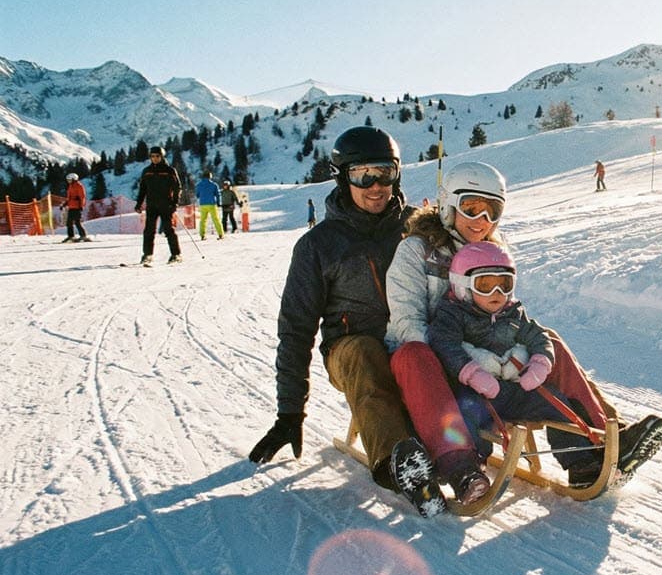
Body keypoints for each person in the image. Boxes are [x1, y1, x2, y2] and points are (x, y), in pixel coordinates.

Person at [385, 161, 662, 509]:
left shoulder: (494, 251)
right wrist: (468, 359)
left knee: (548, 342)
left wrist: (520, 354)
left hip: (487, 366)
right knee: (415, 352)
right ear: (448, 204)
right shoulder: (416, 250)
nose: (481, 220)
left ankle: (598, 445)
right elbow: (405, 322)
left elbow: (509, 315)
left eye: (492, 211)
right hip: (435, 364)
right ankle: (460, 466)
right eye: (472, 207)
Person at [247, 126, 438, 514]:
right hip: (351, 350)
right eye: (363, 175)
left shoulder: (417, 227)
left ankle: (580, 441)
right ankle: (398, 464)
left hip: (413, 338)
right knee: (366, 353)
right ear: (342, 176)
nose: (376, 186)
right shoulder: (318, 245)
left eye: (385, 173)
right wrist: (289, 413)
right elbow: (296, 331)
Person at [430, 241, 603, 489]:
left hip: (513, 391)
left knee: (556, 401)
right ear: (462, 286)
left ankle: (580, 461)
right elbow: (444, 344)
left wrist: (540, 364)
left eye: (505, 284)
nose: (497, 293)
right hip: (475, 394)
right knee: (460, 413)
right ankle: (469, 469)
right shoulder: (452, 314)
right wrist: (472, 373)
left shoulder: (513, 313)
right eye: (485, 286)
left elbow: (539, 337)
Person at [134, 146, 182, 265]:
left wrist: (174, 202)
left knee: (169, 230)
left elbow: (177, 188)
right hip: (152, 205)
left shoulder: (169, 170)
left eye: (157, 156)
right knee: (149, 230)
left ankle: (176, 254)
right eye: (152, 156)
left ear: (162, 156)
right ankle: (147, 255)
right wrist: (139, 204)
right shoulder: (147, 171)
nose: (155, 159)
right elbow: (142, 189)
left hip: (166, 205)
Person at [195, 172, 224, 240]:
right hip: (212, 204)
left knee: (203, 220)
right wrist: (218, 202)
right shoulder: (214, 185)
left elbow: (197, 195)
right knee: (216, 219)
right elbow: (217, 194)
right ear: (210, 177)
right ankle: (220, 234)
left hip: (203, 205)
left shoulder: (199, 185)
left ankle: (202, 235)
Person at [62, 173, 88, 242]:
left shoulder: (79, 186)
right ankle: (71, 236)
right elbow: (69, 197)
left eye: (70, 180)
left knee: (77, 222)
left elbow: (82, 197)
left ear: (74, 179)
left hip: (77, 207)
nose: (68, 181)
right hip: (71, 206)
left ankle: (83, 236)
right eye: (68, 180)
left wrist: (81, 206)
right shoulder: (71, 186)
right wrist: (65, 204)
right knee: (69, 222)